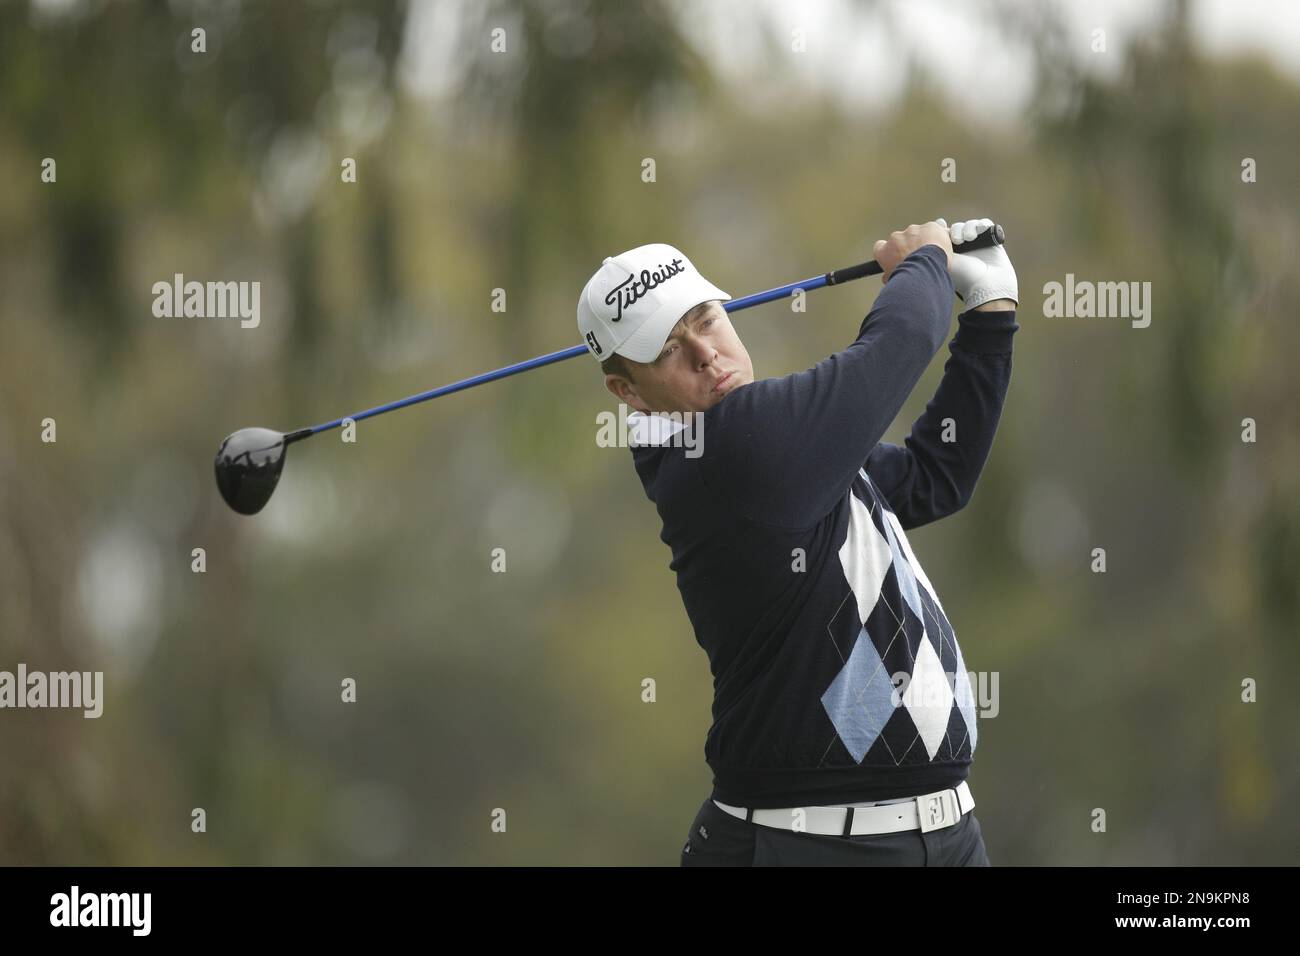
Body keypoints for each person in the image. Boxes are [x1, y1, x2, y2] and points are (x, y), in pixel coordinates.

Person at [576, 219, 1019, 866]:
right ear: (627, 392)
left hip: (948, 835)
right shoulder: (724, 451)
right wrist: (922, 262)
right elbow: (901, 339)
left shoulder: (790, 455)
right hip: (805, 843)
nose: (706, 353)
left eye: (706, 318)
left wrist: (989, 318)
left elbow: (935, 477)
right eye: (668, 349)